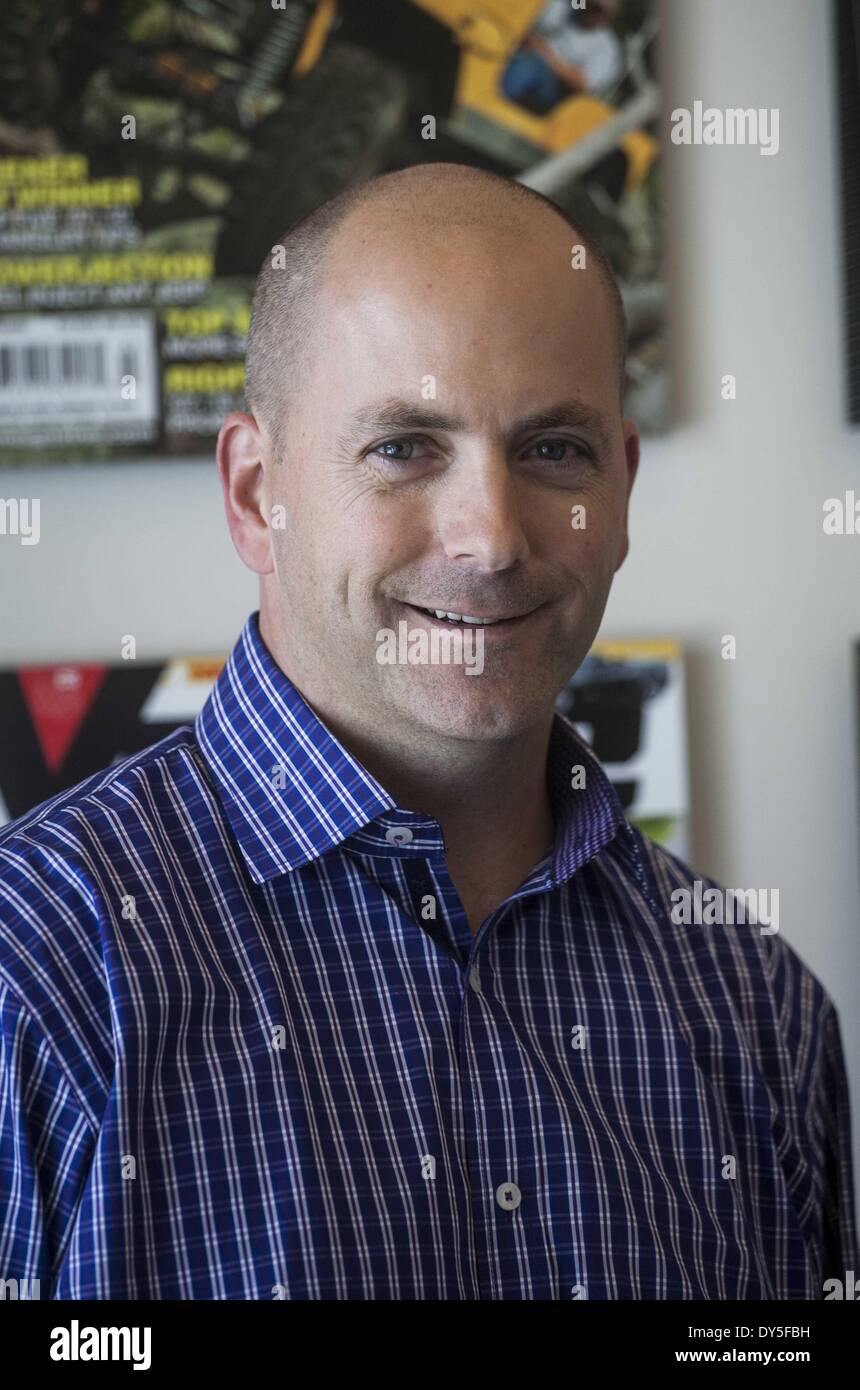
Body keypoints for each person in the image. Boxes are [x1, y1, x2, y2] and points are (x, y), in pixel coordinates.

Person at [0, 163, 856, 1300]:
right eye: (403, 446)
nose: (489, 539)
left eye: (553, 449)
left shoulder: (759, 1007)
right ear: (258, 494)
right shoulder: (37, 980)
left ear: (621, 492)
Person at [502, 0, 624, 116]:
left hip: (555, 93)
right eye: (589, 3)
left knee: (529, 65)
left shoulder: (606, 47)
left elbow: (581, 83)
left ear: (608, 16)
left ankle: (495, 104)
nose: (590, 10)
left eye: (597, 9)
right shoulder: (562, 10)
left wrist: (543, 52)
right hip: (519, 53)